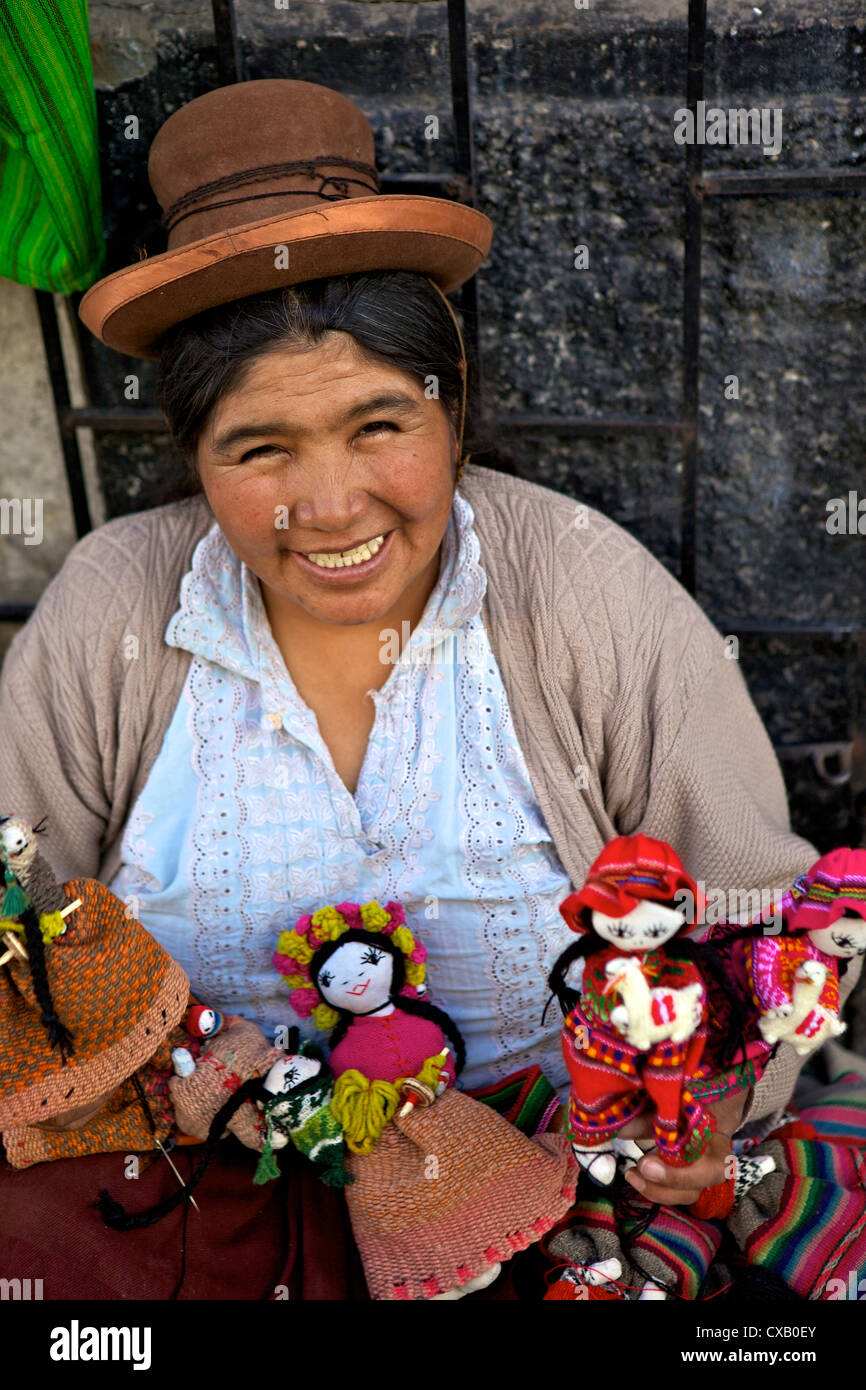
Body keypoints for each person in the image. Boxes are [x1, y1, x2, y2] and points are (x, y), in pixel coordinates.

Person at [0, 78, 857, 1299]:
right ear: (191, 456)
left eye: (377, 424)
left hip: (561, 1214)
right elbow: (16, 908)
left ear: (452, 403)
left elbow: (747, 907)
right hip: (195, 1218)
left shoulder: (579, 587)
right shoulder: (115, 607)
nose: (334, 504)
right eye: (260, 449)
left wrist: (691, 1114)